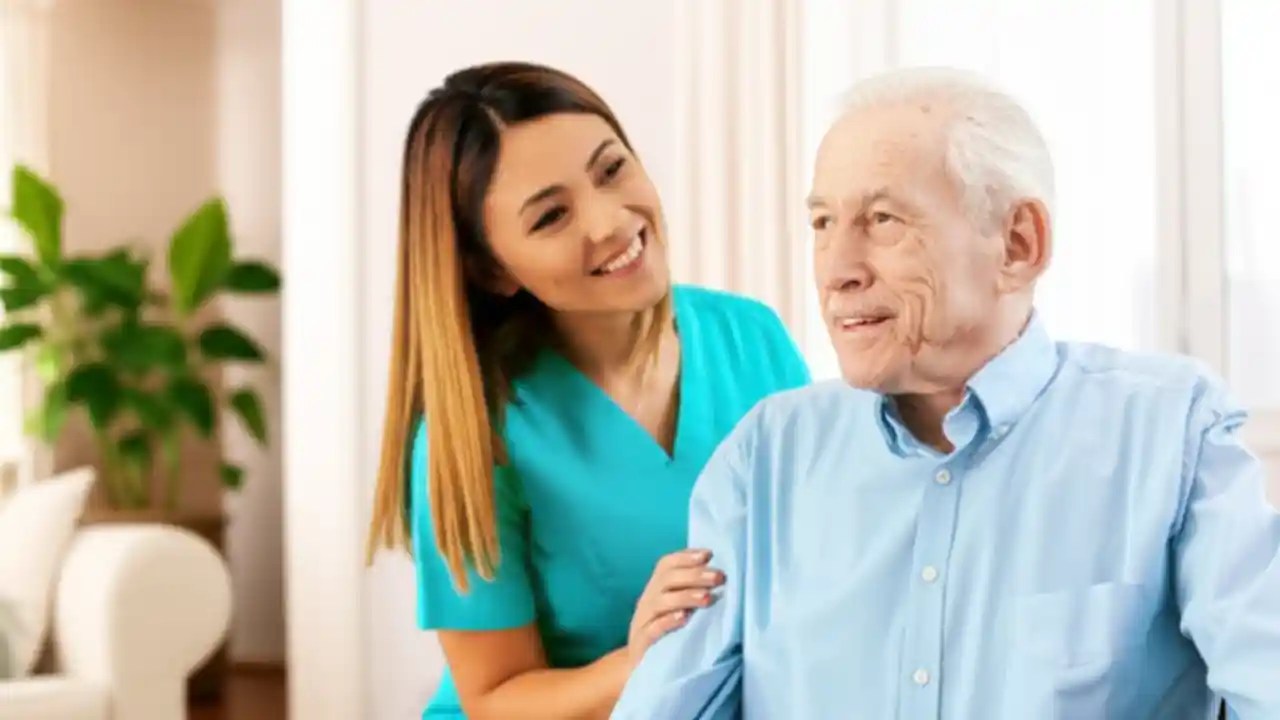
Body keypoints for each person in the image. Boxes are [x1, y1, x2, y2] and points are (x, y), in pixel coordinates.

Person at [612, 67, 1280, 719]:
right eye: (821, 224)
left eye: (882, 220)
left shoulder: (1170, 431)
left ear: (1018, 244)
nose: (837, 270)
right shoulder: (765, 456)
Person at [364, 61, 811, 719]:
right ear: (492, 268)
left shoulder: (752, 336)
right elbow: (493, 699)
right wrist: (645, 659)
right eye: (550, 217)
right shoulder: (472, 435)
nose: (609, 222)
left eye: (611, 170)